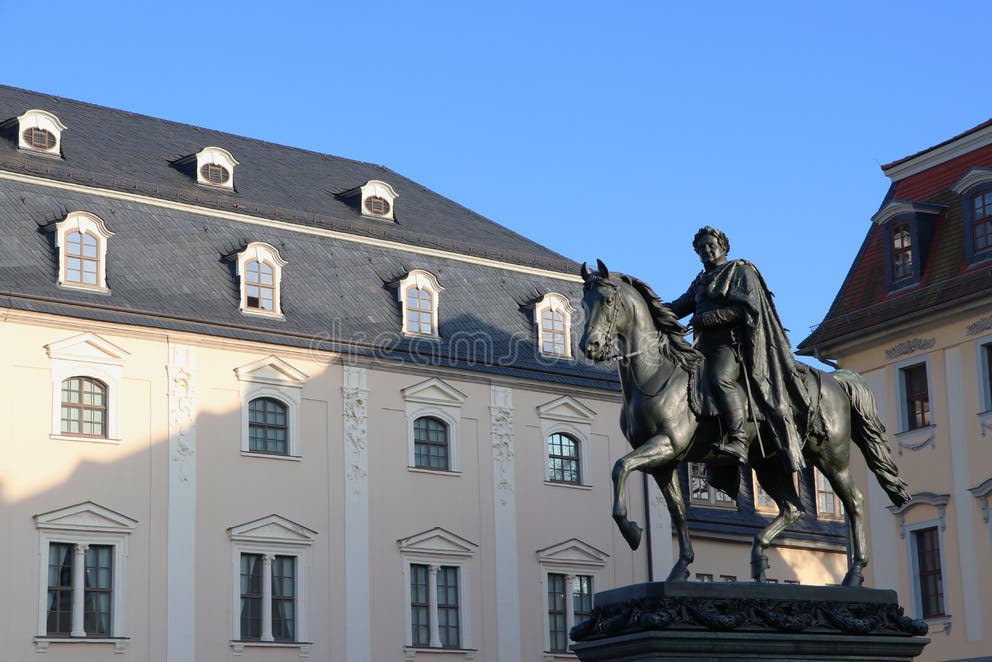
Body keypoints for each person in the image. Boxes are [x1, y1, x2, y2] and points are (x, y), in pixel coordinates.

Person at [668, 226, 809, 470]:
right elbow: (679, 307)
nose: (706, 250)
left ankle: (739, 439)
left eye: (711, 245)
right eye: (701, 248)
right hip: (702, 347)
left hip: (731, 345)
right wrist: (646, 307)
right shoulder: (700, 281)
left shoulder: (740, 271)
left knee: (720, 379)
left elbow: (748, 309)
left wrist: (710, 317)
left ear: (723, 246)